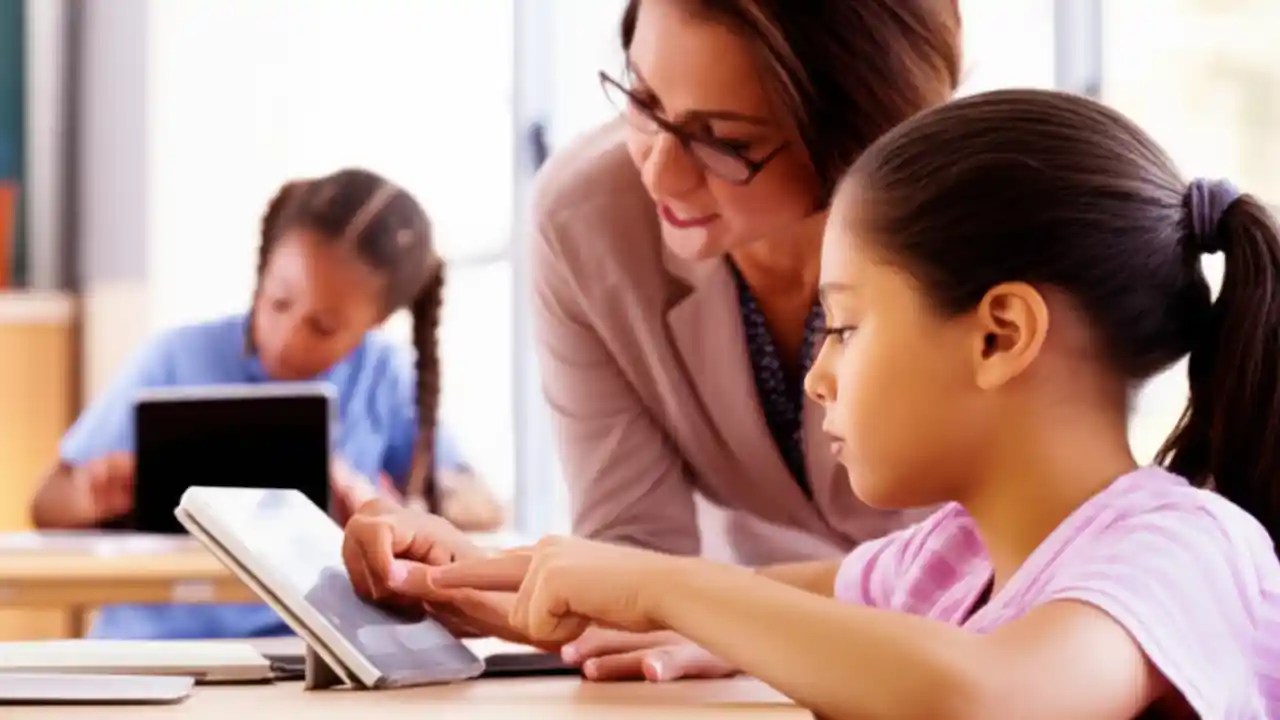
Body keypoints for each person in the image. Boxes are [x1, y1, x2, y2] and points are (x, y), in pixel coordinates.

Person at [345, 90, 1280, 717]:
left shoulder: (1181, 547)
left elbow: (986, 700)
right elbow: (717, 614)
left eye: (846, 327)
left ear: (999, 334)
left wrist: (666, 581)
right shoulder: (952, 558)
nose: (818, 375)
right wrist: (481, 583)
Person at [529, 0, 962, 563]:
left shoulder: (986, 244)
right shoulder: (587, 222)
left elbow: (1002, 565)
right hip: (746, 622)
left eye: (725, 142)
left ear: (862, 131)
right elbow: (630, 547)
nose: (660, 173)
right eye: (643, 98)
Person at [30, 168, 503, 638]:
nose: (286, 339)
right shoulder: (174, 356)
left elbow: (481, 506)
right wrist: (90, 496)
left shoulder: (383, 376)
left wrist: (393, 512)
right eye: (278, 301)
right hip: (152, 643)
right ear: (263, 269)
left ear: (375, 322)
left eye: (322, 327)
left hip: (306, 653)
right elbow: (46, 505)